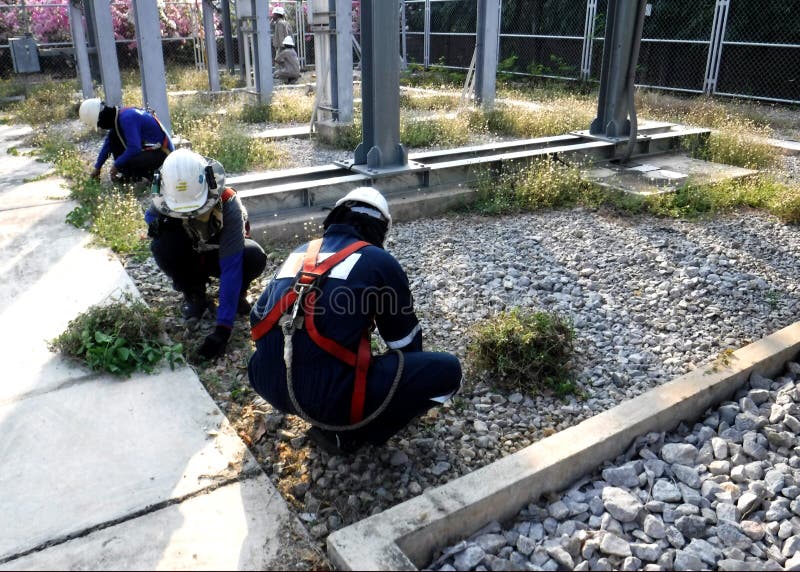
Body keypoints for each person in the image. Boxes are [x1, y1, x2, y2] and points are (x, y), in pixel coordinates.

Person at [248, 187, 462, 455]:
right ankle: (353, 435)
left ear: (335, 219)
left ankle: (320, 402)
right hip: (325, 399)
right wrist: (403, 390)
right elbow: (404, 342)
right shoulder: (379, 261)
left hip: (266, 381)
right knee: (449, 372)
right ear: (381, 229)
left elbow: (258, 316)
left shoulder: (300, 252)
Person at [145, 149, 267, 361]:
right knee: (162, 245)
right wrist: (162, 226)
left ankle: (237, 295)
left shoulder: (228, 203)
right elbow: (150, 217)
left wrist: (223, 330)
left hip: (219, 255)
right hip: (191, 255)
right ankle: (195, 294)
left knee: (253, 255)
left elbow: (231, 267)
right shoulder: (165, 196)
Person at [78, 98, 174, 183]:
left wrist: (116, 165)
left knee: (126, 162)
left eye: (99, 125)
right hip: (153, 150)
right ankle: (133, 176)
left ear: (101, 118)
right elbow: (108, 144)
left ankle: (150, 177)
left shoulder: (127, 118)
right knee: (115, 142)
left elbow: (135, 148)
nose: (101, 127)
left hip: (164, 152)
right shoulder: (118, 116)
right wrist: (98, 167)